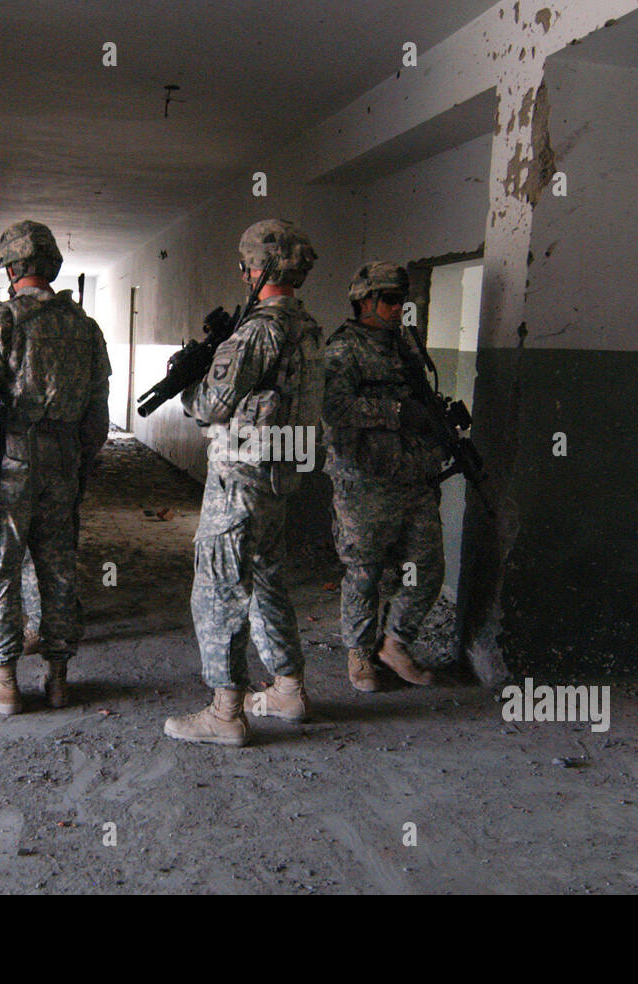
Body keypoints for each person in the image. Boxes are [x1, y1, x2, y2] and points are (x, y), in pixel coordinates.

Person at [163, 219, 322, 747]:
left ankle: (226, 711)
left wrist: (189, 387)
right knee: (269, 580)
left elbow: (212, 404)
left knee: (219, 588)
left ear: (256, 269)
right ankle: (287, 688)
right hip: (280, 477)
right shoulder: (309, 328)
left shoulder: (257, 331)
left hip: (241, 479)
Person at [0, 220, 110, 714]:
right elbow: (96, 414)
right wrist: (79, 463)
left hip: (7, 464)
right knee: (58, 570)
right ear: (52, 267)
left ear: (11, 268)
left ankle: (4, 680)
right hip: (62, 463)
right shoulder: (86, 328)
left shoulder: (2, 321)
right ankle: (59, 679)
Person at [323, 261, 444, 693]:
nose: (398, 309)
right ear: (364, 301)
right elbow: (334, 411)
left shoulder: (406, 346)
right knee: (365, 572)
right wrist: (397, 413)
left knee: (427, 569)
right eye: (390, 300)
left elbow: (421, 398)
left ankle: (394, 644)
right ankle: (359, 654)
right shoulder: (343, 350)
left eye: (401, 300)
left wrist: (434, 420)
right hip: (365, 480)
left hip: (413, 476)